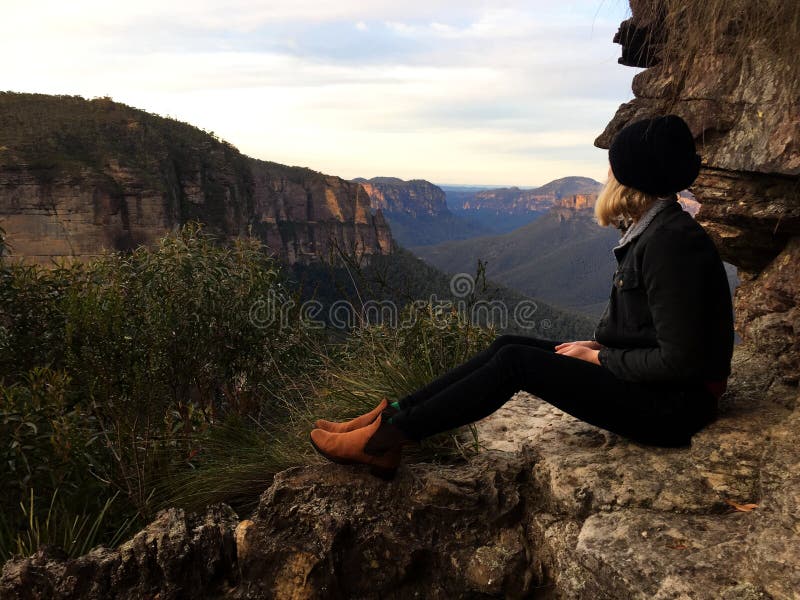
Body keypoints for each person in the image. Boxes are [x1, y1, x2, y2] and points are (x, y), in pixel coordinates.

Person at [309, 114, 735, 479]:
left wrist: (601, 358)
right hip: (657, 390)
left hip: (672, 409)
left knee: (516, 363)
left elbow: (682, 362)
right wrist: (598, 346)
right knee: (508, 343)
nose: (606, 177)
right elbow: (654, 330)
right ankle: (390, 416)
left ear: (631, 178)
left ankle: (385, 440)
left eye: (612, 169)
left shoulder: (670, 243)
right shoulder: (658, 232)